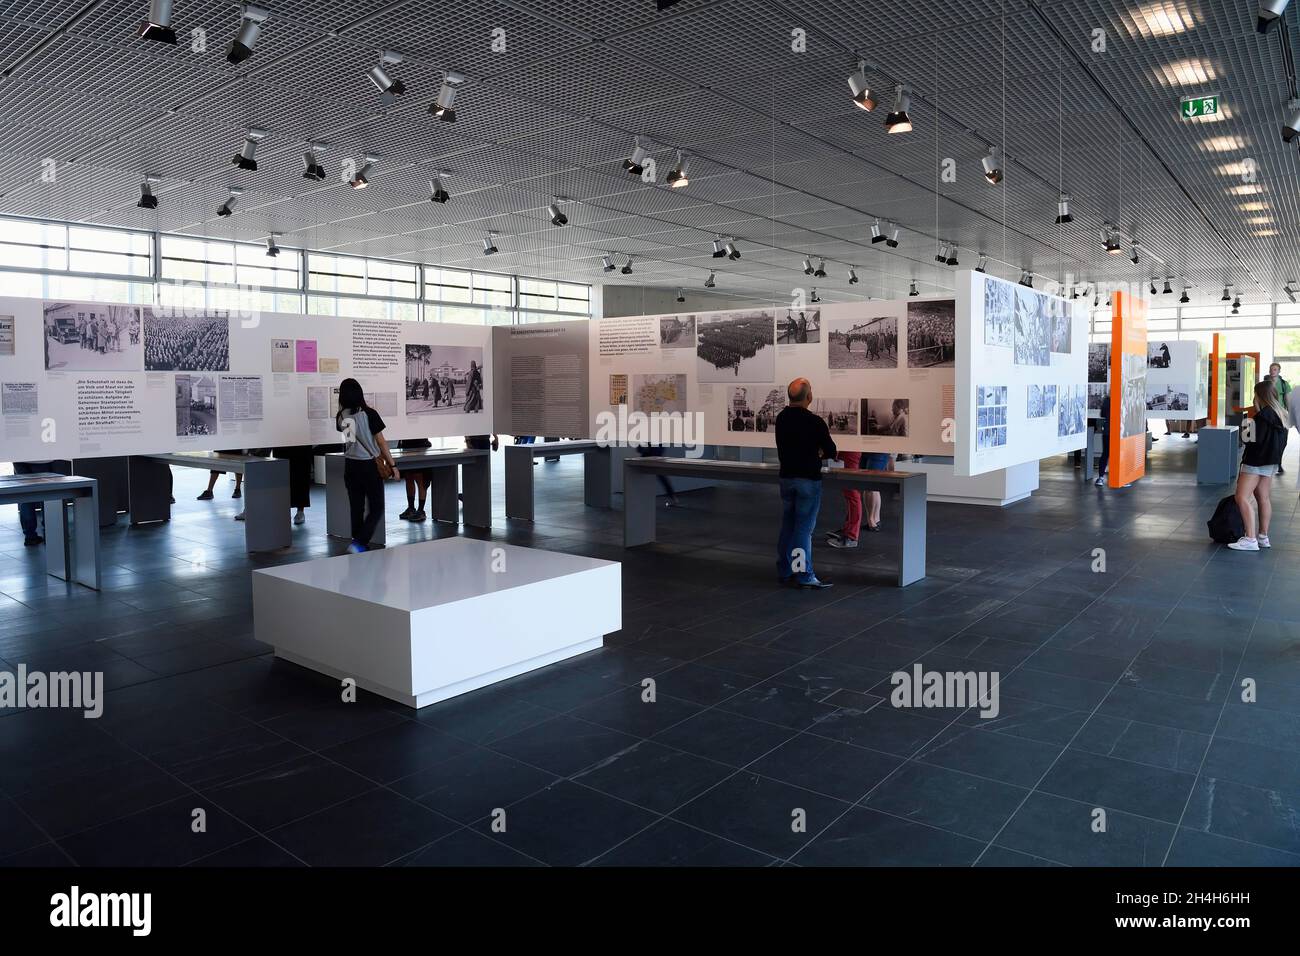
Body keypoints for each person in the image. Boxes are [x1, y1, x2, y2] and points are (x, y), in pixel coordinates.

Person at [775, 378, 836, 589]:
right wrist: (819, 451)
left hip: (786, 479)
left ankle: (784, 569)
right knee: (803, 530)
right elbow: (831, 450)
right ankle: (804, 574)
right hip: (808, 481)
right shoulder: (815, 422)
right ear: (809, 397)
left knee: (788, 526)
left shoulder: (781, 418)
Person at [336, 378, 396, 553]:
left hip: (351, 465)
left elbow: (349, 439)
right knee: (377, 507)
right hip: (369, 466)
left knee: (356, 507)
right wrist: (393, 465)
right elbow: (381, 442)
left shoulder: (341, 416)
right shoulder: (369, 413)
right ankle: (359, 542)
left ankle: (358, 542)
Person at [1228, 380, 1289, 551]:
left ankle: (1250, 538)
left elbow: (1247, 441)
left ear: (1259, 395)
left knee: (1241, 497)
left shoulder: (1258, 418)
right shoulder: (1283, 416)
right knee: (1263, 497)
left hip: (1254, 462)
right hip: (1271, 462)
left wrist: (1246, 424)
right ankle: (1263, 536)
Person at [12, 460, 54, 546]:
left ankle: (30, 537)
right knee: (46, 495)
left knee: (25, 496)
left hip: (19, 456)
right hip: (41, 458)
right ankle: (50, 533)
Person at [272, 446, 314, 525]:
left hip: (302, 441)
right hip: (281, 440)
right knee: (281, 471)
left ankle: (300, 510)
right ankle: (283, 510)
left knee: (301, 472)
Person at [397, 437, 433, 521]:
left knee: (420, 479)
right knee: (408, 477)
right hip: (406, 445)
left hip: (420, 445)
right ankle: (411, 508)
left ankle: (421, 510)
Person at [1266, 363, 1291, 473]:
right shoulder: (1264, 384)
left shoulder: (1284, 384)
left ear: (1279, 371)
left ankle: (1278, 462)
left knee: (1283, 440)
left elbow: (1288, 400)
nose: (1273, 371)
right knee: (1269, 439)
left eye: (1275, 369)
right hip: (1268, 415)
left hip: (1281, 415)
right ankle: (1270, 462)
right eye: (1271, 369)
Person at [1094, 391, 1111, 486]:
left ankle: (1101, 477)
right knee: (1105, 453)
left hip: (1117, 432)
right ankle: (1100, 477)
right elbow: (1103, 414)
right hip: (1109, 432)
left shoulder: (1107, 400)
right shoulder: (1107, 400)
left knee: (1107, 454)